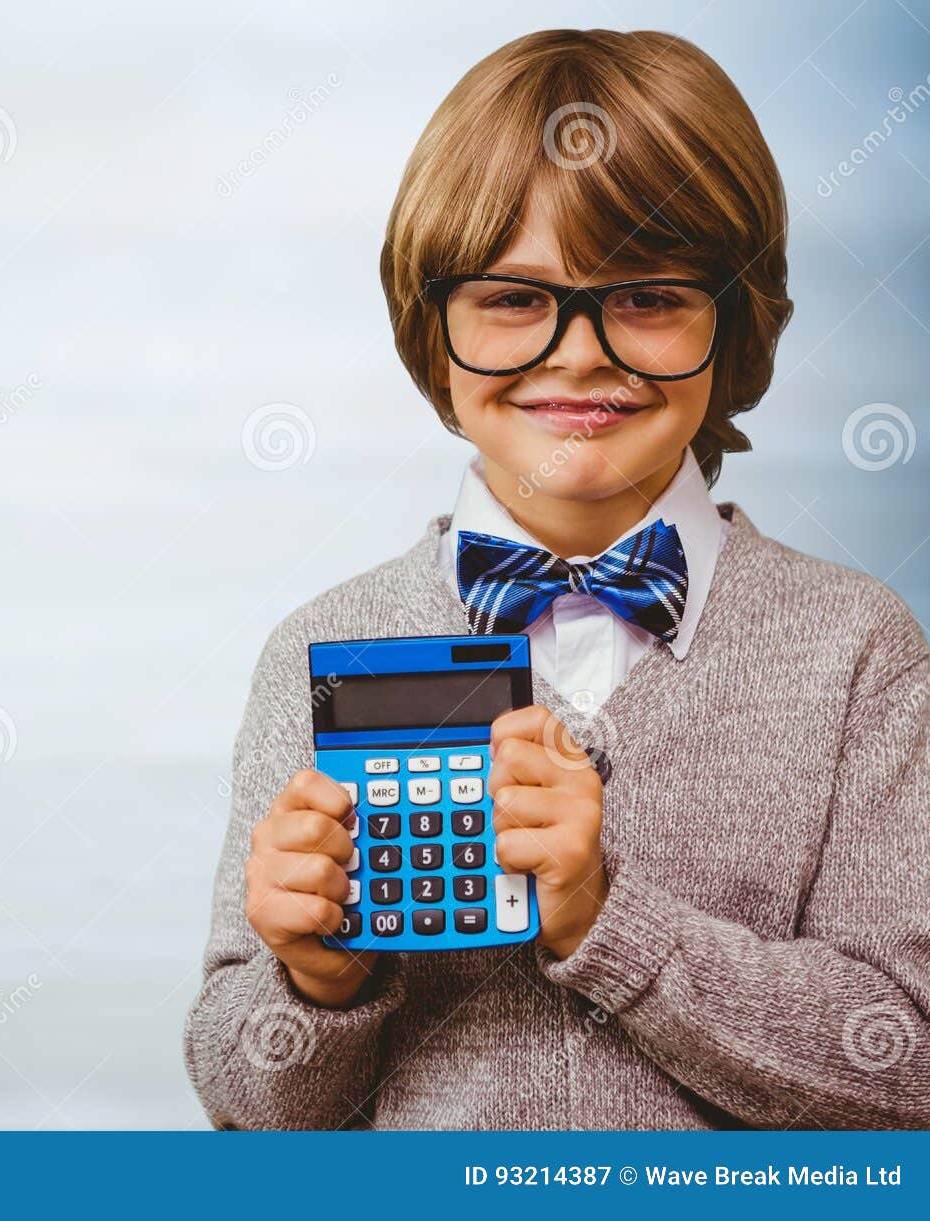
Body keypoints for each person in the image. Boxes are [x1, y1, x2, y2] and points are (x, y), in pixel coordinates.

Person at [184, 28, 930, 1130]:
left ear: (734, 323)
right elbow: (247, 1102)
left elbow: (903, 1066)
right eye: (514, 299)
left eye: (648, 297)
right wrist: (313, 982)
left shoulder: (855, 647)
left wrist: (602, 920)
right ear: (429, 327)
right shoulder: (321, 644)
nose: (580, 354)